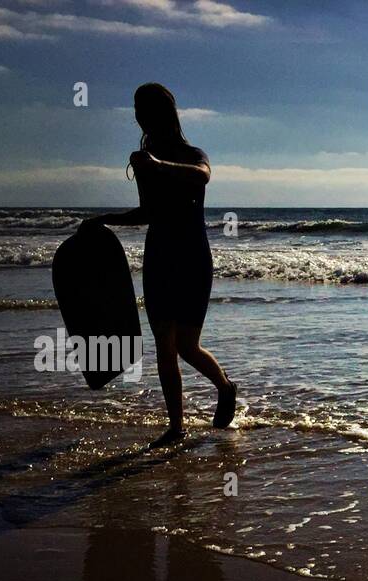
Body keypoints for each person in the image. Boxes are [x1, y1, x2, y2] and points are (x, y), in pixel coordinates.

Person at [83, 82, 236, 447]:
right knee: (163, 345)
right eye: (136, 110)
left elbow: (202, 175)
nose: (138, 117)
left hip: (193, 257)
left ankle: (226, 387)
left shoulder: (192, 153)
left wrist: (157, 164)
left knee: (187, 346)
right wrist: (103, 220)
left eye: (143, 109)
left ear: (161, 114)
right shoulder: (144, 161)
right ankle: (176, 427)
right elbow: (147, 212)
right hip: (160, 257)